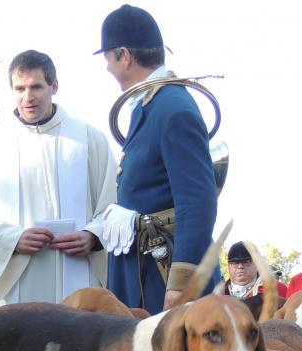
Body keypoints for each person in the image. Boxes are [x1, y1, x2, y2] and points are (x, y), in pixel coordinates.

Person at [0, 50, 115, 306]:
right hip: (16, 285)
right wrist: (12, 239)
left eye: (36, 87)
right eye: (19, 89)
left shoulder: (89, 139)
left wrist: (93, 236)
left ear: (54, 86)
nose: (27, 97)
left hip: (80, 275)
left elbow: (113, 205)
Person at [93, 4, 218, 313]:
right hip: (146, 270)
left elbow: (198, 201)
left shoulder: (172, 108)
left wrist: (180, 283)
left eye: (108, 58)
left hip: (162, 276)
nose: (107, 68)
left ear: (124, 55)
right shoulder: (152, 104)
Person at [223, 241, 287, 298]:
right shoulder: (219, 293)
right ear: (229, 267)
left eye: (246, 262)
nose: (240, 266)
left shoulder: (276, 289)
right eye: (235, 263)